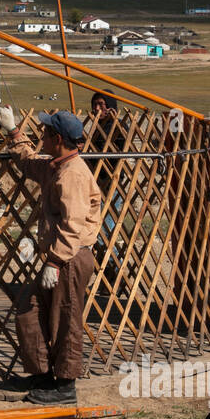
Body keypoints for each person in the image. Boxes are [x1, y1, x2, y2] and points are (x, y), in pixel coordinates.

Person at [0, 105, 102, 405]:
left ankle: (65, 387)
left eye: (44, 132)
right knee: (30, 309)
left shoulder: (74, 175)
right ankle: (42, 376)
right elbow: (30, 163)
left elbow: (73, 224)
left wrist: (55, 262)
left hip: (69, 258)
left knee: (66, 318)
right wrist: (12, 130)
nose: (40, 137)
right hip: (57, 257)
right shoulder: (57, 165)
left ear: (57, 138)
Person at [88, 91, 127, 283]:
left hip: (111, 187)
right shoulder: (98, 127)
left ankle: (114, 276)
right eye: (95, 105)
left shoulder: (118, 126)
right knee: (99, 234)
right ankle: (109, 277)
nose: (97, 109)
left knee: (105, 235)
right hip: (97, 187)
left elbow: (116, 154)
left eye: (101, 104)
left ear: (111, 106)